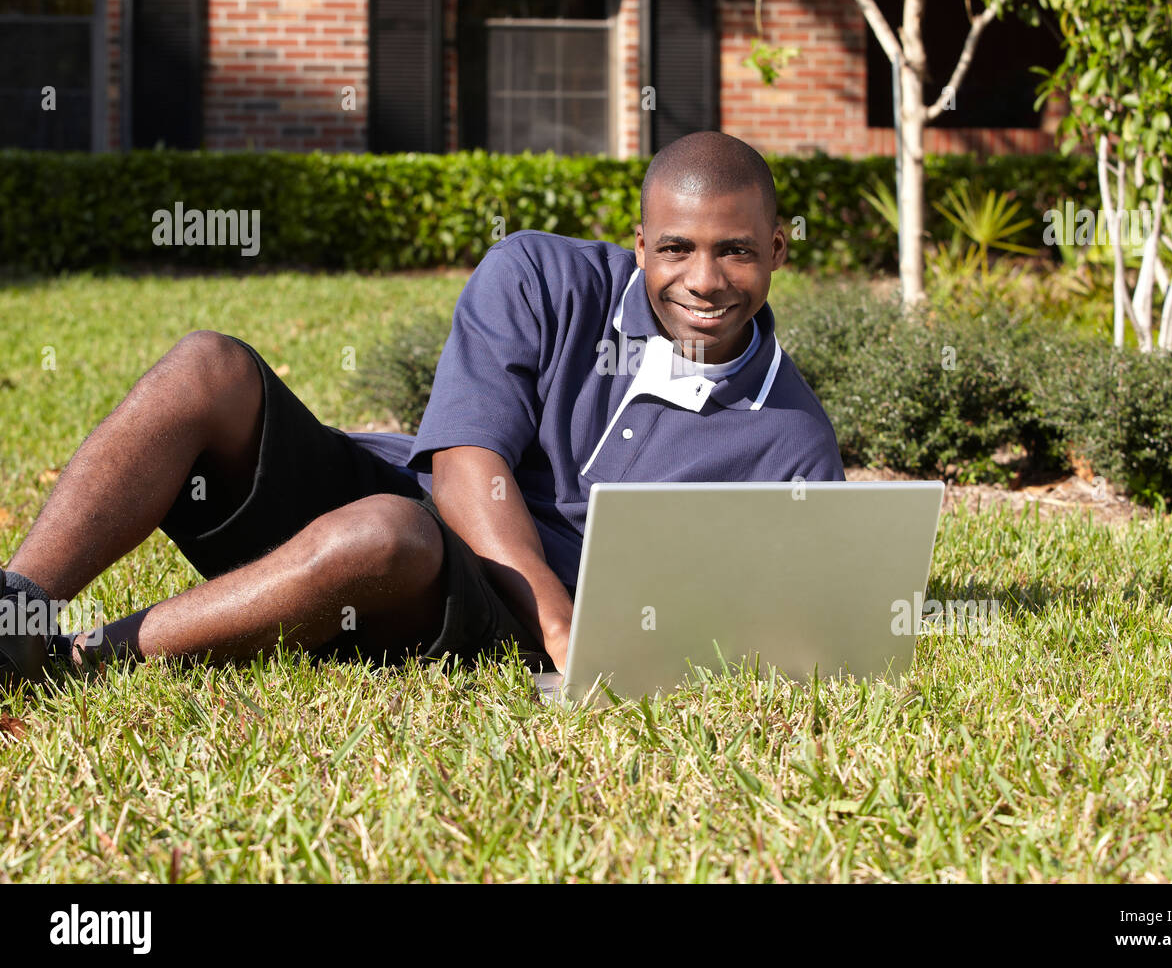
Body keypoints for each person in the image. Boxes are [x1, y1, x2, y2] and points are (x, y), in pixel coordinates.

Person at [0, 131, 844, 687]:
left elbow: (790, 619)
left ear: (777, 248)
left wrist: (569, 635)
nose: (703, 280)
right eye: (677, 249)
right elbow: (466, 466)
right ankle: (15, 615)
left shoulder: (794, 442)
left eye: (735, 250)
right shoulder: (541, 278)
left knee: (385, 533)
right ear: (639, 244)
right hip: (459, 539)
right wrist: (562, 620)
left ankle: (79, 661)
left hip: (464, 603)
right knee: (208, 366)